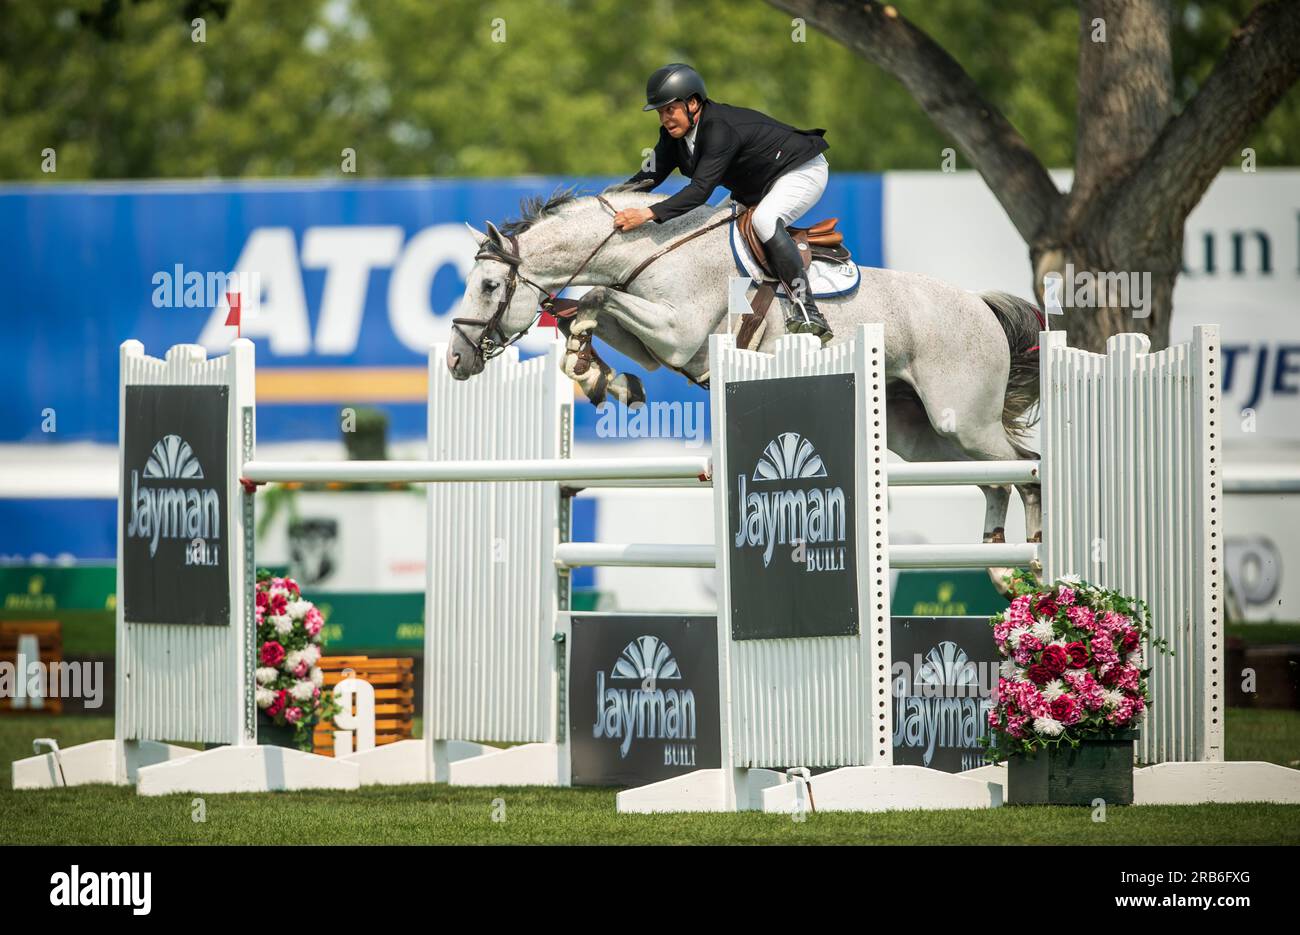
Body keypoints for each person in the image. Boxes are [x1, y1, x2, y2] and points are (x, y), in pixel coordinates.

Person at [615, 63, 833, 341]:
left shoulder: (719, 128)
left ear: (693, 103)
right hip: (755, 185)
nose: (664, 119)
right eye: (660, 112)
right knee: (709, 232)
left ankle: (806, 309)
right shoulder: (672, 136)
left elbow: (699, 191)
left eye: (670, 109)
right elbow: (648, 176)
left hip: (800, 169)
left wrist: (646, 213)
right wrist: (611, 200)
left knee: (764, 220)